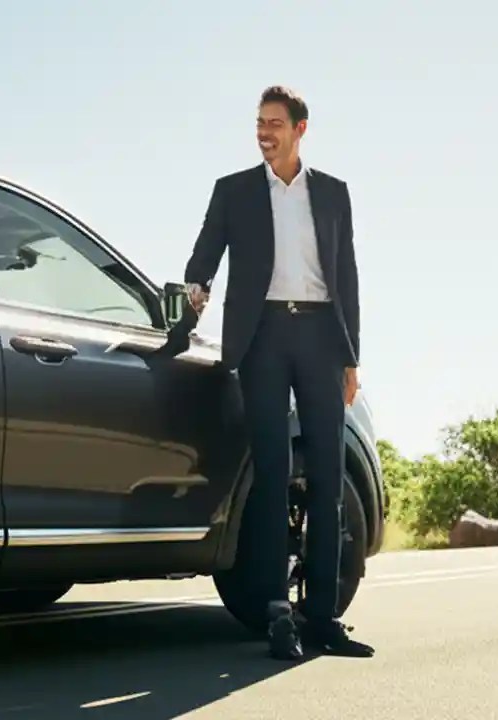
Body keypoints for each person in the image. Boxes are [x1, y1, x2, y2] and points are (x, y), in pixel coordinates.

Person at [183, 86, 373, 660]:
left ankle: (322, 618)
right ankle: (276, 614)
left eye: (274, 124)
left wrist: (351, 357)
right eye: (259, 123)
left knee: (326, 480)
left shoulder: (333, 194)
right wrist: (194, 291)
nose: (264, 132)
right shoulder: (234, 191)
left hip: (320, 340)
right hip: (262, 339)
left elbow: (347, 279)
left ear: (300, 129)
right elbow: (203, 257)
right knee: (269, 479)